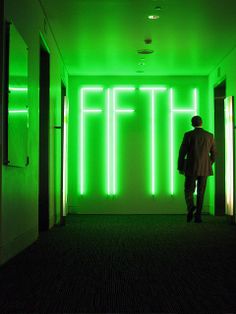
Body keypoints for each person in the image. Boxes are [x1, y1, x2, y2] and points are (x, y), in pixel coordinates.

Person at [178, 116, 216, 223]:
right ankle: (198, 216)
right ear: (202, 123)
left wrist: (180, 167)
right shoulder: (209, 136)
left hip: (191, 167)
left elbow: (182, 153)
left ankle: (190, 206)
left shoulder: (188, 135)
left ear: (192, 124)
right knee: (201, 192)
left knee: (188, 189)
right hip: (204, 169)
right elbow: (214, 154)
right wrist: (208, 163)